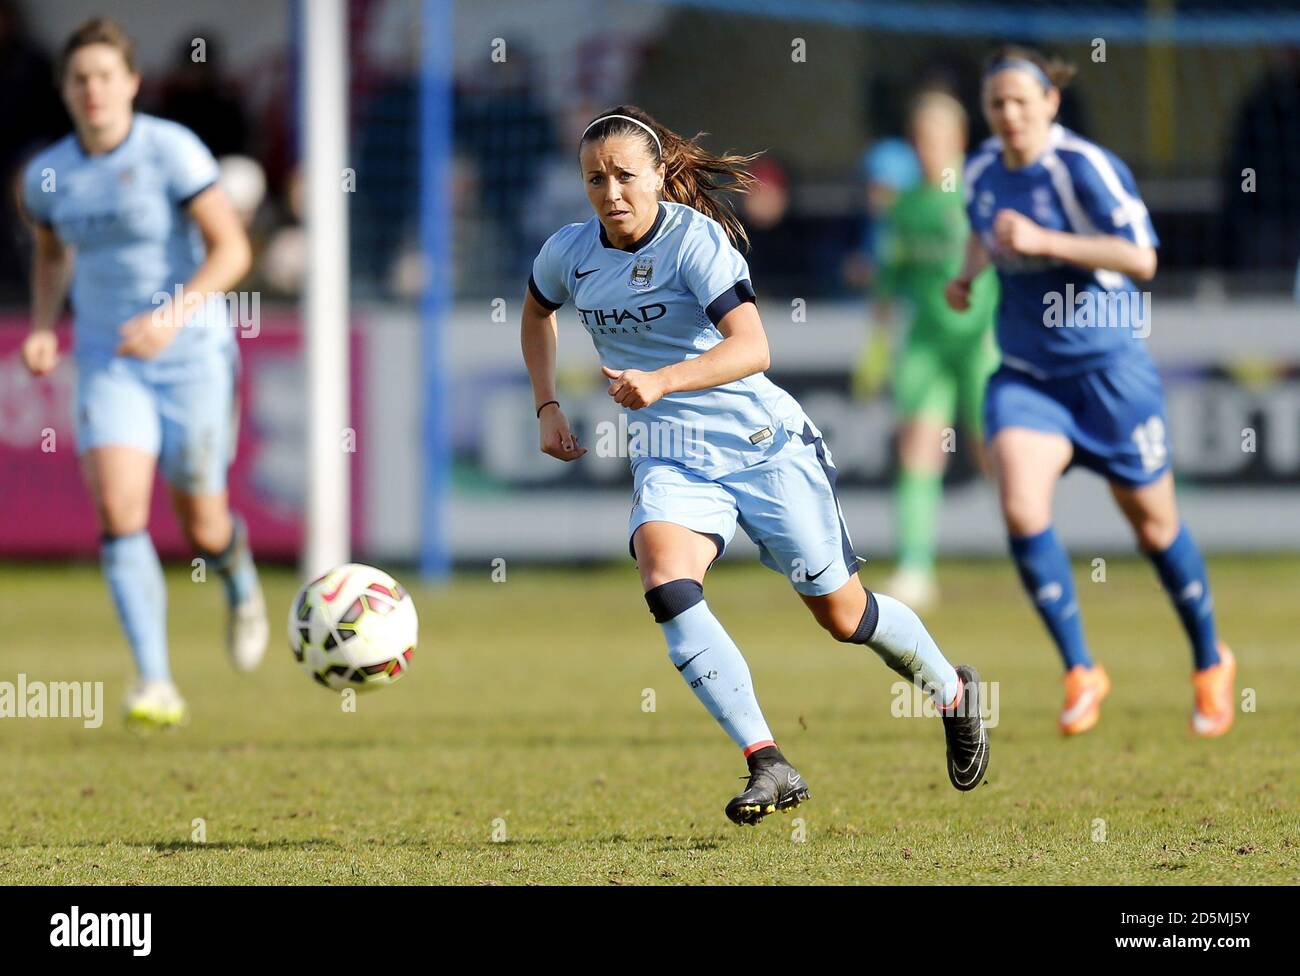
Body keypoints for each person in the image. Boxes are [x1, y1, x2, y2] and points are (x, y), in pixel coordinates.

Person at [521, 105, 990, 825]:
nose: (610, 192)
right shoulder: (570, 252)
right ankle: (767, 759)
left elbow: (753, 348)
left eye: (623, 175)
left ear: (658, 177)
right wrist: (547, 404)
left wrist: (664, 380)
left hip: (763, 447)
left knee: (844, 614)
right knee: (664, 576)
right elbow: (535, 311)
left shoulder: (695, 242)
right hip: (673, 458)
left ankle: (953, 692)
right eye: (594, 179)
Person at [948, 45, 1235, 737]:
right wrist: (968, 275)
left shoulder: (1084, 167)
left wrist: (1049, 240)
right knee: (1020, 505)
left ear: (1050, 102)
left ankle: (1209, 660)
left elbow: (1141, 258)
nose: (1009, 115)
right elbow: (987, 233)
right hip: (1028, 377)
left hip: (1109, 376)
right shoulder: (983, 171)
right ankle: (1081, 668)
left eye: (1022, 101)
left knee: (1155, 528)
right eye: (997, 104)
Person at [19, 18, 268, 729]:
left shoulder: (171, 150)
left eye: (104, 75)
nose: (92, 90)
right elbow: (48, 252)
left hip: (190, 357)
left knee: (202, 522)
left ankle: (236, 574)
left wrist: (172, 315)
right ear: (65, 91)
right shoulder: (48, 175)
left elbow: (231, 251)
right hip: (108, 360)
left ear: (130, 82)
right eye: (79, 79)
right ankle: (154, 681)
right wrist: (43, 324)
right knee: (120, 512)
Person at [856, 90, 999, 610]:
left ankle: (1031, 551)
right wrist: (875, 351)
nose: (927, 148)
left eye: (937, 137)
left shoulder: (982, 197)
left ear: (959, 141)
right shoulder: (904, 208)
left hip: (981, 342)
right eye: (919, 138)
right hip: (926, 345)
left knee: (996, 454)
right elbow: (888, 285)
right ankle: (916, 568)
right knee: (918, 448)